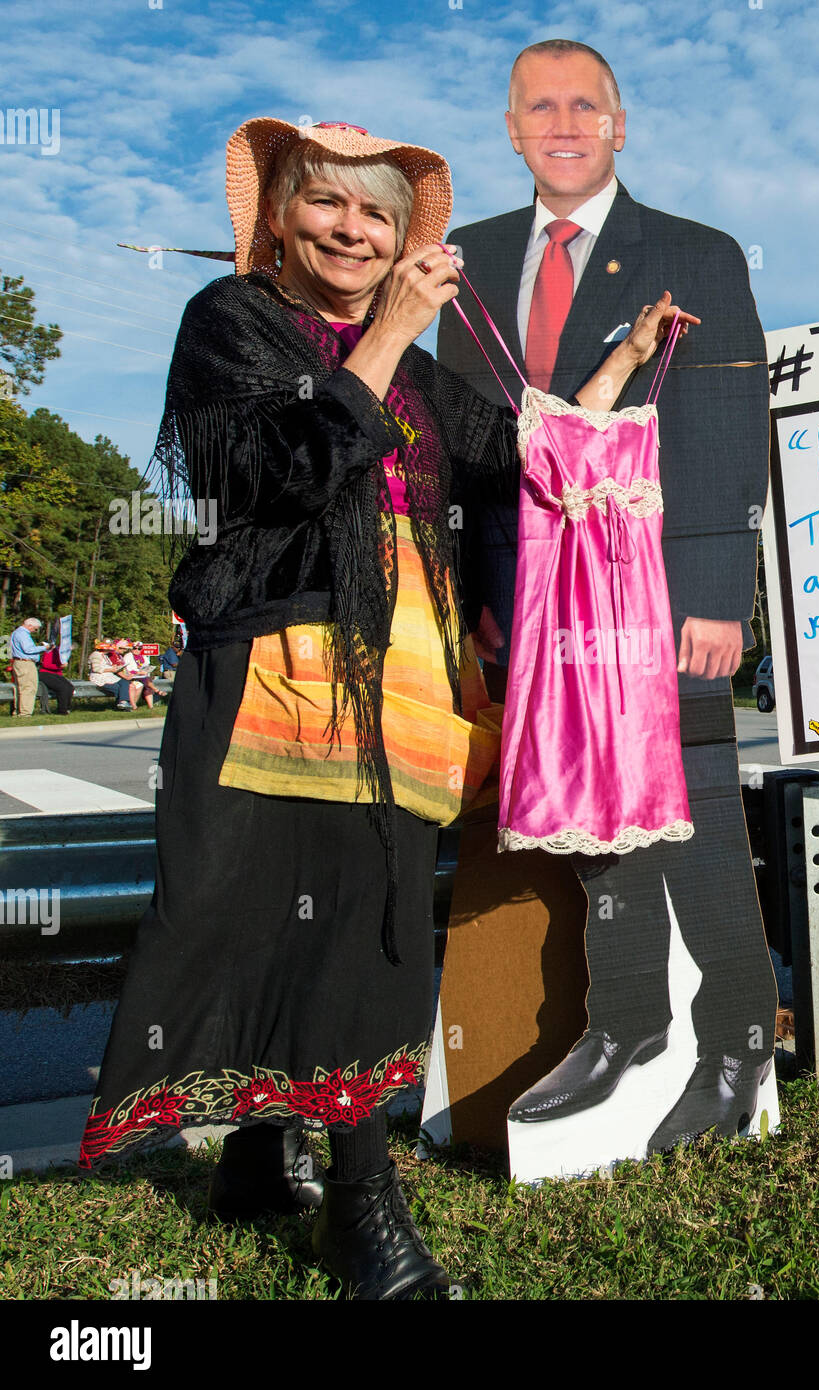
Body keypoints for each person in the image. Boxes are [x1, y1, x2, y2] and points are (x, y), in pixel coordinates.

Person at [78, 116, 684, 1300]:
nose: (354, 230)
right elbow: (270, 475)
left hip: (402, 673)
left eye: (378, 215)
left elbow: (523, 454)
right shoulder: (232, 324)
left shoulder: (416, 371)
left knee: (365, 915)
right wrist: (394, 329)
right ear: (278, 218)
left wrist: (619, 362)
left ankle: (275, 1163)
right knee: (243, 909)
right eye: (328, 205)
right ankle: (356, 1204)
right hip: (271, 663)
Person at [437, 40, 778, 1149]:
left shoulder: (695, 251)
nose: (564, 121)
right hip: (536, 602)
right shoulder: (470, 259)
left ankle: (733, 1037)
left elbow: (729, 427)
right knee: (587, 817)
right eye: (539, 105)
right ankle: (625, 1014)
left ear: (619, 124)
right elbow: (466, 446)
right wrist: (482, 587)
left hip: (667, 592)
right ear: (511, 126)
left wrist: (720, 591)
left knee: (702, 816)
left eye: (586, 104)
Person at [8, 617, 49, 716]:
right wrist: (44, 647)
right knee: (28, 687)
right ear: (29, 625)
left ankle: (18, 711)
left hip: (19, 662)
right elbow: (28, 649)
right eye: (35, 629)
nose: (35, 631)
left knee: (20, 688)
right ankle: (25, 713)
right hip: (26, 663)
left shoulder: (16, 632)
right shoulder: (23, 634)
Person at [37, 627, 74, 715]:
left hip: (56, 674)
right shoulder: (50, 651)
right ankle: (62, 710)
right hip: (45, 673)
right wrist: (59, 667)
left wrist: (61, 666)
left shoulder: (61, 652)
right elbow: (45, 664)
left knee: (70, 687)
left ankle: (67, 708)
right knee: (63, 688)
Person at [87, 641, 132, 709]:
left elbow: (107, 666)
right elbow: (96, 669)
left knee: (124, 682)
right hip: (100, 677)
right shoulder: (96, 654)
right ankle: (122, 704)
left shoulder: (105, 656)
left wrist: (114, 668)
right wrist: (111, 670)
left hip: (109, 676)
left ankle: (123, 703)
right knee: (118, 688)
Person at [115, 641, 157, 708]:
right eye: (135, 648)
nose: (137, 650)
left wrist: (147, 671)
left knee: (146, 685)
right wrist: (139, 672)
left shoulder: (143, 656)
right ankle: (133, 705)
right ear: (132, 648)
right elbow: (126, 669)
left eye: (139, 649)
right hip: (132, 677)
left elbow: (146, 666)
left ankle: (150, 706)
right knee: (138, 685)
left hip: (141, 676)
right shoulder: (128, 656)